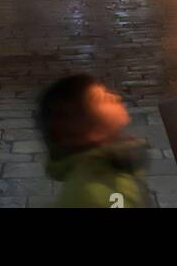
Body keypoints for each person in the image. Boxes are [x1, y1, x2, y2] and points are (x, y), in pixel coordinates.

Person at [37, 74, 149, 208]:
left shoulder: (113, 159)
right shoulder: (100, 195)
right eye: (102, 99)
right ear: (82, 130)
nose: (116, 98)